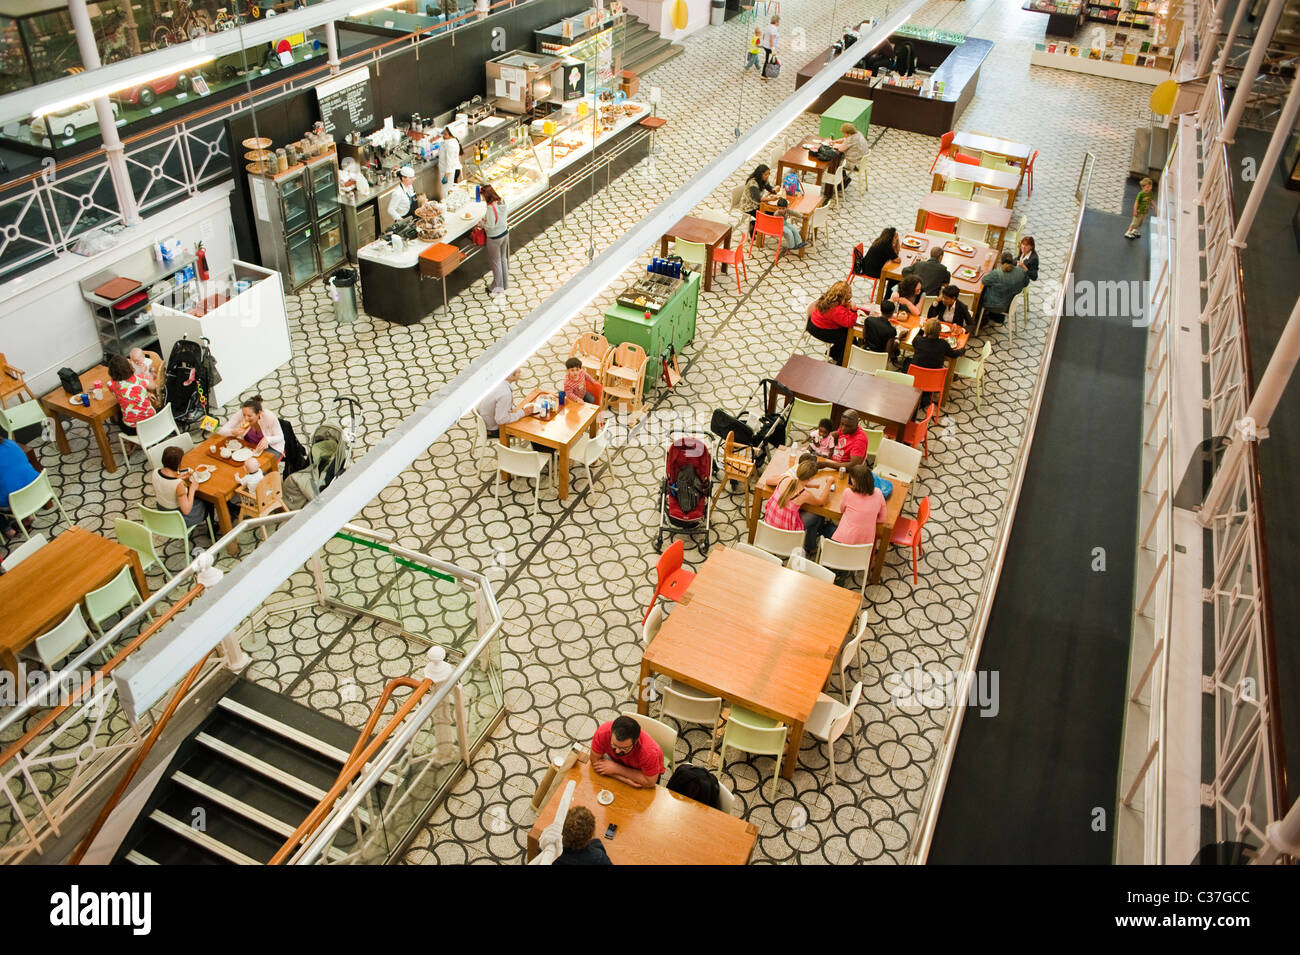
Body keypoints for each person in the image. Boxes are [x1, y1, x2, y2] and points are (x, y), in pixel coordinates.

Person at [763, 455, 831, 554]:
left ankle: (810, 547)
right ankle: (810, 547)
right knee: (817, 515)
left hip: (769, 522)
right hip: (787, 531)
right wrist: (829, 483)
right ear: (811, 478)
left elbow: (768, 481)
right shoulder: (804, 494)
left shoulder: (785, 478)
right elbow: (821, 502)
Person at [151, 444, 212, 536]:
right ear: (179, 464)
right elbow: (186, 510)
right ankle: (212, 531)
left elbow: (166, 484)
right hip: (178, 517)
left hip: (162, 511)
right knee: (208, 501)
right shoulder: (177, 484)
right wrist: (192, 489)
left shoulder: (155, 472)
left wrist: (179, 477)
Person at [591, 715, 665, 788]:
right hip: (620, 765)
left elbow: (650, 782)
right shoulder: (603, 732)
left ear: (635, 742)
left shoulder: (649, 752)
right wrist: (624, 779)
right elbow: (594, 761)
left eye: (624, 748)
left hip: (644, 771)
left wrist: (617, 768)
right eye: (614, 745)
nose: (617, 751)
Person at [826, 462, 889, 547]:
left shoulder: (848, 492)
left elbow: (842, 510)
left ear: (854, 481)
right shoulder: (878, 493)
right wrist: (870, 519)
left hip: (842, 542)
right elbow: (882, 519)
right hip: (865, 546)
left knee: (826, 528)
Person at [805, 281, 858, 365]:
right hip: (820, 330)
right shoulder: (836, 308)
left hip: (812, 324)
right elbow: (849, 323)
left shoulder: (826, 299)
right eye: (849, 292)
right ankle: (841, 364)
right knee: (849, 338)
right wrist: (853, 309)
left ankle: (834, 353)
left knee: (847, 334)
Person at [106, 353, 156, 437]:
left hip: (131, 429)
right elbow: (153, 386)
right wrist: (146, 374)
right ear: (130, 367)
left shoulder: (111, 384)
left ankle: (130, 442)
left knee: (119, 410)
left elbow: (115, 393)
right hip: (151, 423)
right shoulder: (140, 378)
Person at [219, 395, 285, 458]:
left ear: (259, 413)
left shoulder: (269, 416)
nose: (245, 418)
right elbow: (221, 431)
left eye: (249, 416)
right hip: (250, 447)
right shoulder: (241, 413)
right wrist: (232, 431)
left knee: (256, 466)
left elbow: (280, 437)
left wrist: (267, 439)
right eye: (244, 415)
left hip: (272, 448)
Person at [0, 436, 38, 540]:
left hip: (14, 501)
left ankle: (8, 530)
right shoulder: (9, 443)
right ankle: (26, 515)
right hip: (38, 489)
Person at [978, 252, 1029, 326]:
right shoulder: (1021, 272)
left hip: (996, 306)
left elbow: (984, 281)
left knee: (983, 290)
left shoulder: (997, 273)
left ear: (1001, 262)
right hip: (1010, 304)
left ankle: (979, 318)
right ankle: (997, 319)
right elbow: (1026, 283)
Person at [477, 368, 527, 439]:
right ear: (510, 376)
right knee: (527, 426)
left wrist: (512, 409)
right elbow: (501, 420)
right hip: (493, 430)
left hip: (484, 421)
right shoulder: (505, 393)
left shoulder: (495, 380)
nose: (521, 372)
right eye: (518, 371)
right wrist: (524, 412)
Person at [481, 184, 509, 297]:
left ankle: (497, 287)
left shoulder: (490, 208)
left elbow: (490, 225)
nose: (483, 199)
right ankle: (505, 284)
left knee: (496, 262)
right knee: (503, 259)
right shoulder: (502, 201)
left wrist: (482, 224)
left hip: (494, 237)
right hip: (505, 233)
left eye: (483, 196)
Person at [741, 164, 777, 235]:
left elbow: (769, 187)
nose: (767, 176)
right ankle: (753, 226)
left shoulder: (763, 180)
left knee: (773, 214)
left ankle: (756, 226)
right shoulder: (752, 183)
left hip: (757, 204)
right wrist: (771, 199)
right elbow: (758, 199)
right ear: (760, 174)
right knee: (767, 217)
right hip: (749, 207)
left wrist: (774, 190)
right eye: (765, 174)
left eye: (768, 174)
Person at [830, 122, 869, 189]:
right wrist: (835, 141)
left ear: (847, 133)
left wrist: (833, 145)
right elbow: (845, 139)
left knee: (836, 163)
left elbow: (841, 149)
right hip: (862, 162)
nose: (843, 135)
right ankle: (844, 178)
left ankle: (843, 180)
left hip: (854, 164)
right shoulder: (857, 134)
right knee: (839, 160)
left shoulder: (851, 139)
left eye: (844, 133)